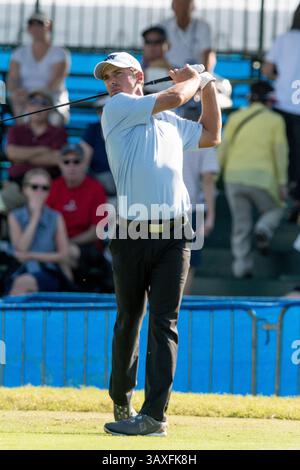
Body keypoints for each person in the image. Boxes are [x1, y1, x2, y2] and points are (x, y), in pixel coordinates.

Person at [93, 51, 221, 436]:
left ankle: (154, 416)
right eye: (106, 78)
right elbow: (175, 96)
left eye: (118, 75)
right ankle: (121, 397)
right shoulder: (116, 108)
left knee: (164, 322)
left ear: (137, 76)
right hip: (131, 234)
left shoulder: (167, 122)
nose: (111, 82)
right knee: (129, 320)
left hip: (175, 234)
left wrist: (209, 84)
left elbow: (212, 134)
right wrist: (195, 78)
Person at [218, 81, 288, 279]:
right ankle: (263, 229)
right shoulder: (275, 120)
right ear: (269, 100)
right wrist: (282, 183)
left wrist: (216, 176)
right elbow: (280, 153)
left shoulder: (236, 117)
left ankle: (241, 268)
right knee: (275, 209)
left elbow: (224, 148)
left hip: (233, 178)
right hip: (262, 178)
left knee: (241, 225)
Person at [46, 143, 113, 292]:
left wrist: (67, 242)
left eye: (76, 161)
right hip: (57, 244)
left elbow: (97, 230)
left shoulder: (96, 188)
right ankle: (70, 288)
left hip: (88, 247)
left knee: (67, 251)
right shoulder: (53, 187)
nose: (71, 166)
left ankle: (69, 290)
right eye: (66, 162)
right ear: (60, 165)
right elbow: (46, 223)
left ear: (84, 164)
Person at [6, 168, 71, 296]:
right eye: (34, 187)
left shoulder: (55, 217)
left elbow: (64, 255)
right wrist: (35, 216)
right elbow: (21, 249)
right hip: (21, 270)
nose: (39, 192)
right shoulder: (15, 216)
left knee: (23, 283)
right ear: (25, 190)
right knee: (21, 283)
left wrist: (31, 256)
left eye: (44, 188)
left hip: (49, 271)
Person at [0, 90, 67, 215]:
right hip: (17, 184)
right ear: (27, 107)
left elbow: (56, 159)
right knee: (2, 203)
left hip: (49, 185)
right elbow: (11, 154)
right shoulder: (16, 130)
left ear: (50, 108)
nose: (38, 106)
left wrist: (23, 157)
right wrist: (42, 150)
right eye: (33, 102)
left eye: (43, 103)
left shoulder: (58, 132)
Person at [262, 3, 300, 221]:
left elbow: (267, 70)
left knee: (281, 153)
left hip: (283, 103)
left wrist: (284, 78)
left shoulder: (284, 39)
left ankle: (281, 195)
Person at [6, 11, 70, 125]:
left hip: (52, 98)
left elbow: (55, 83)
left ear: (49, 26)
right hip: (24, 100)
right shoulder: (19, 53)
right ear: (28, 28)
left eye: (40, 23)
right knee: (19, 104)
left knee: (51, 118)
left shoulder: (60, 53)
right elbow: (12, 79)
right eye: (31, 23)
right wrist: (16, 92)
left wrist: (34, 97)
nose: (35, 27)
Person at [183, 147, 219, 294]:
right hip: (191, 211)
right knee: (187, 266)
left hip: (159, 209)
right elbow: (208, 179)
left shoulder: (162, 134)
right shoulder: (204, 142)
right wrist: (211, 216)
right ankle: (179, 311)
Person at [160, 0, 216, 72]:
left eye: (186, 3)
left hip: (198, 74)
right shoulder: (163, 26)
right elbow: (155, 53)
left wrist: (206, 75)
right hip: (171, 74)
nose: (182, 7)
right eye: (179, 3)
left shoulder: (204, 26)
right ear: (172, 6)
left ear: (193, 6)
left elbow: (208, 53)